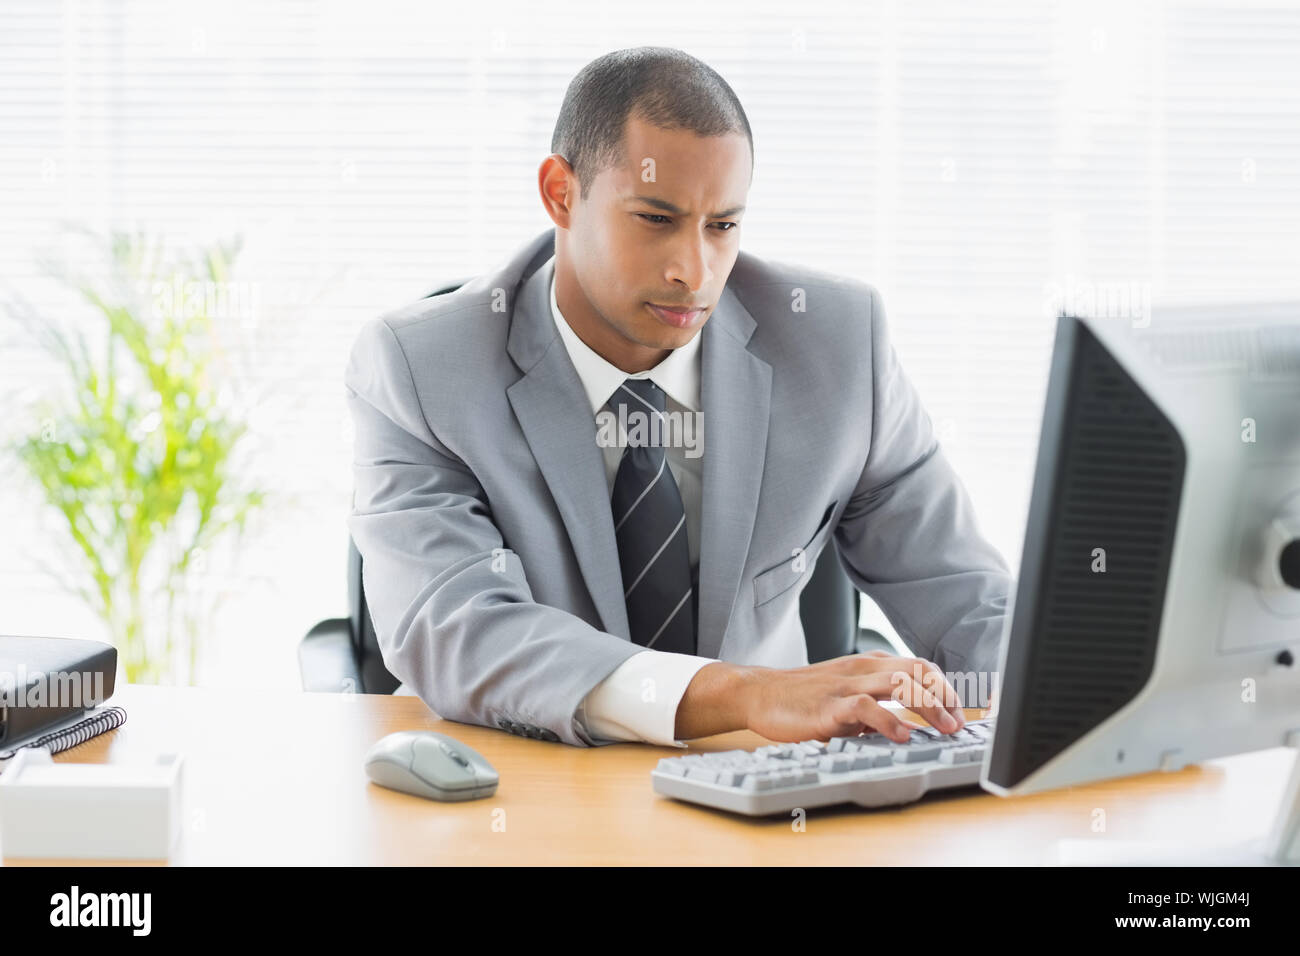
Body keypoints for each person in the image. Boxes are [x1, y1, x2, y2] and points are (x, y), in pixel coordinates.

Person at [345, 46, 1011, 748]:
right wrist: (742, 692)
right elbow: (455, 627)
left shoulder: (837, 348)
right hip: (532, 786)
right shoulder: (422, 369)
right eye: (656, 219)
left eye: (722, 225)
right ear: (560, 193)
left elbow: (968, 600)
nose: (694, 272)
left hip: (765, 791)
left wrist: (1079, 704)